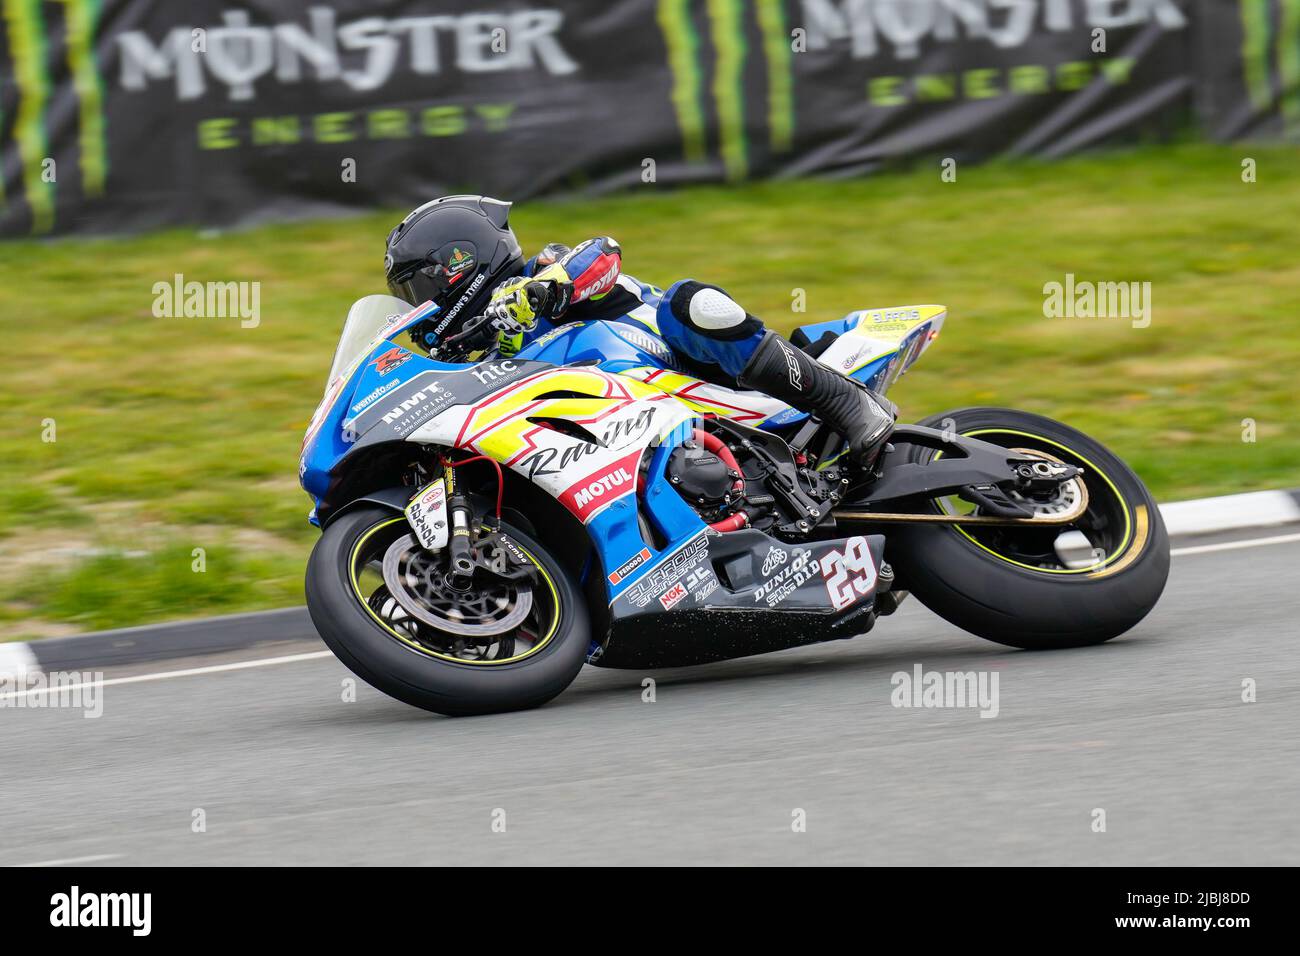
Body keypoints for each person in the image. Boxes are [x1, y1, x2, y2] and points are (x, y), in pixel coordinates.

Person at [383, 194, 895, 466]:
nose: (420, 305)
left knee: (690, 303)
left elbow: (603, 250)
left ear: (459, 261)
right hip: (613, 441)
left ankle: (844, 402)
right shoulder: (475, 360)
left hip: (694, 375)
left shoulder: (547, 270)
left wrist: (548, 289)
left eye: (420, 286)